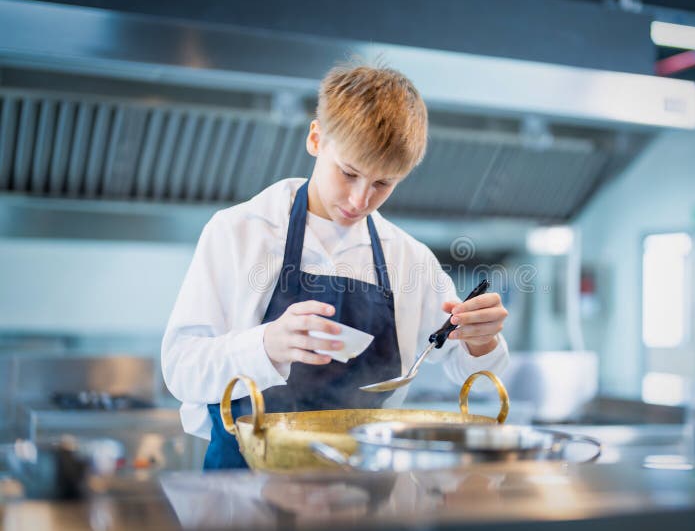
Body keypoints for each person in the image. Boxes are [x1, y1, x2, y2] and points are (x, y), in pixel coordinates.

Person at [161, 63, 510, 470]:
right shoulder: (240, 232)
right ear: (315, 138)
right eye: (348, 173)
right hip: (242, 491)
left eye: (383, 184)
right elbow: (181, 369)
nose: (360, 200)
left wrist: (479, 338)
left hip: (364, 491)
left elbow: (473, 368)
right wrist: (266, 346)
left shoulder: (408, 259)